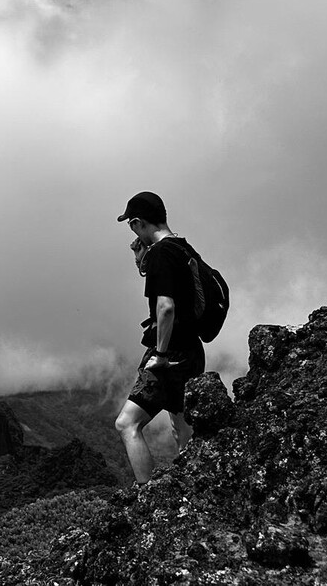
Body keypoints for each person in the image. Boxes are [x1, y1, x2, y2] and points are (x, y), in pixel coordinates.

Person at [113, 191, 205, 483]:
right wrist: (141, 258)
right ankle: (195, 488)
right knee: (181, 426)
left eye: (131, 224)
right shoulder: (182, 247)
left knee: (127, 424)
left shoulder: (161, 254)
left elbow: (165, 307)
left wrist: (161, 355)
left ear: (139, 223)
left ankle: (147, 497)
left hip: (171, 354)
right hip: (192, 350)